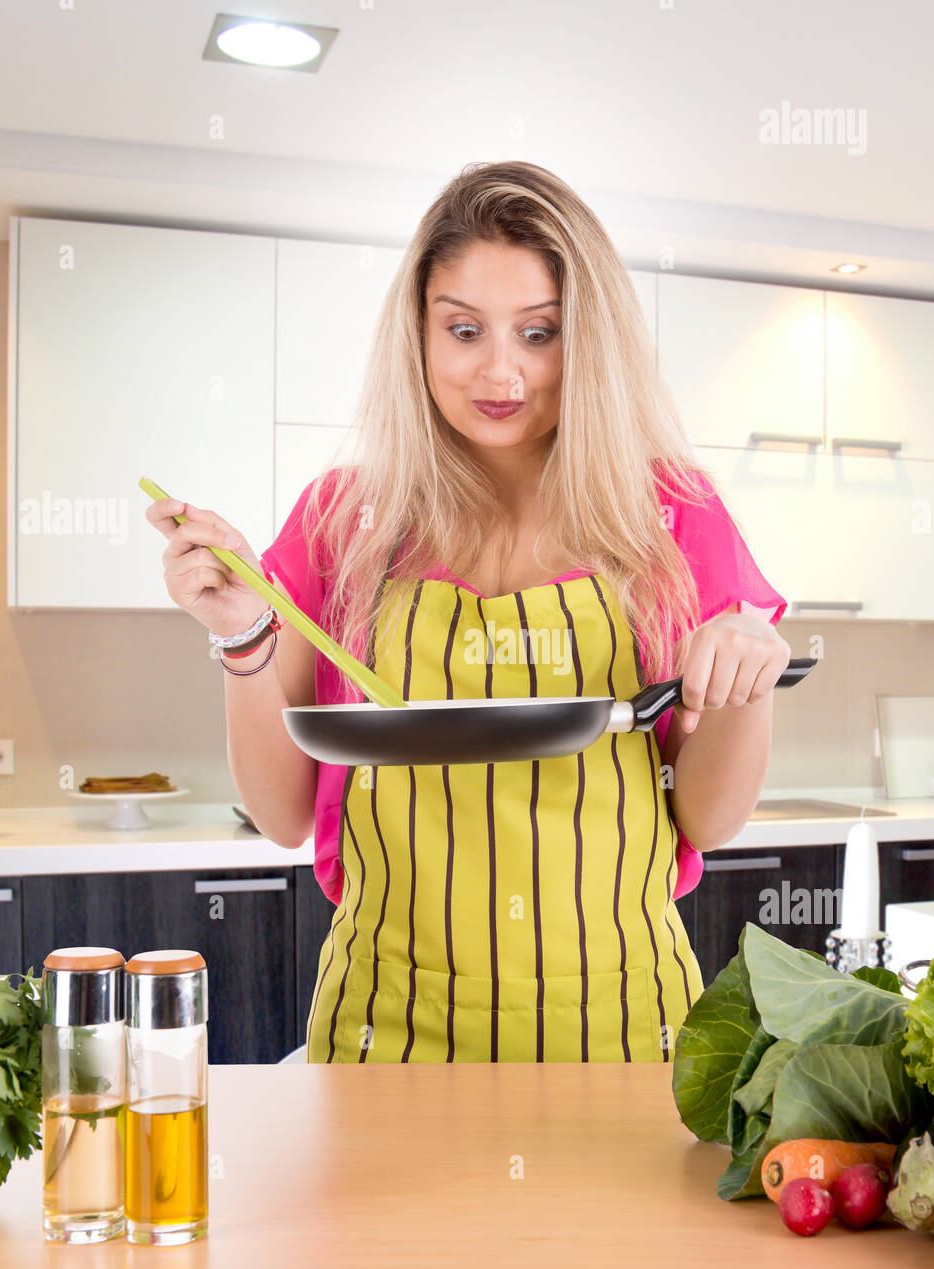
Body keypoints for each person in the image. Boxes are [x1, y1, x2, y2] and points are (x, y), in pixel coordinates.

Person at [146, 160, 790, 1065]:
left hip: (622, 1031)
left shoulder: (673, 514)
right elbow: (283, 813)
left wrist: (746, 670)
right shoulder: (344, 520)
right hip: (387, 1036)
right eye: (464, 330)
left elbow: (711, 821)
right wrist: (240, 634)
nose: (501, 371)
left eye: (539, 334)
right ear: (418, 335)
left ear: (589, 342)